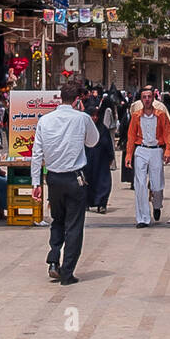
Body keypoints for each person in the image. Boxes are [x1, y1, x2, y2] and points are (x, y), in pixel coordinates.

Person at [31, 79, 98, 285]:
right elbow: (93, 141)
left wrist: (36, 184)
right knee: (74, 225)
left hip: (53, 178)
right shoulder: (82, 119)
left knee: (57, 220)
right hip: (74, 178)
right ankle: (67, 272)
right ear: (78, 100)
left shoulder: (45, 120)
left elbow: (36, 154)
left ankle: (53, 259)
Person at [124, 85, 170, 228]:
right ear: (141, 99)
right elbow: (131, 136)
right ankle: (143, 218)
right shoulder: (136, 116)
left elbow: (168, 133)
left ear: (153, 98)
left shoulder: (161, 114)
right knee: (139, 184)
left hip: (156, 150)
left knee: (157, 184)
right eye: (144, 97)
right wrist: (129, 154)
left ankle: (157, 205)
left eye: (149, 97)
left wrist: (168, 151)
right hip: (141, 150)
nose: (146, 100)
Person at [83, 92, 115, 214]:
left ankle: (102, 204)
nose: (94, 118)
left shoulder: (103, 129)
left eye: (96, 115)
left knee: (103, 183)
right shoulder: (83, 129)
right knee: (87, 182)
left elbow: (108, 145)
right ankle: (86, 203)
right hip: (87, 161)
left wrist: (110, 157)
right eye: (91, 116)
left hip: (101, 161)